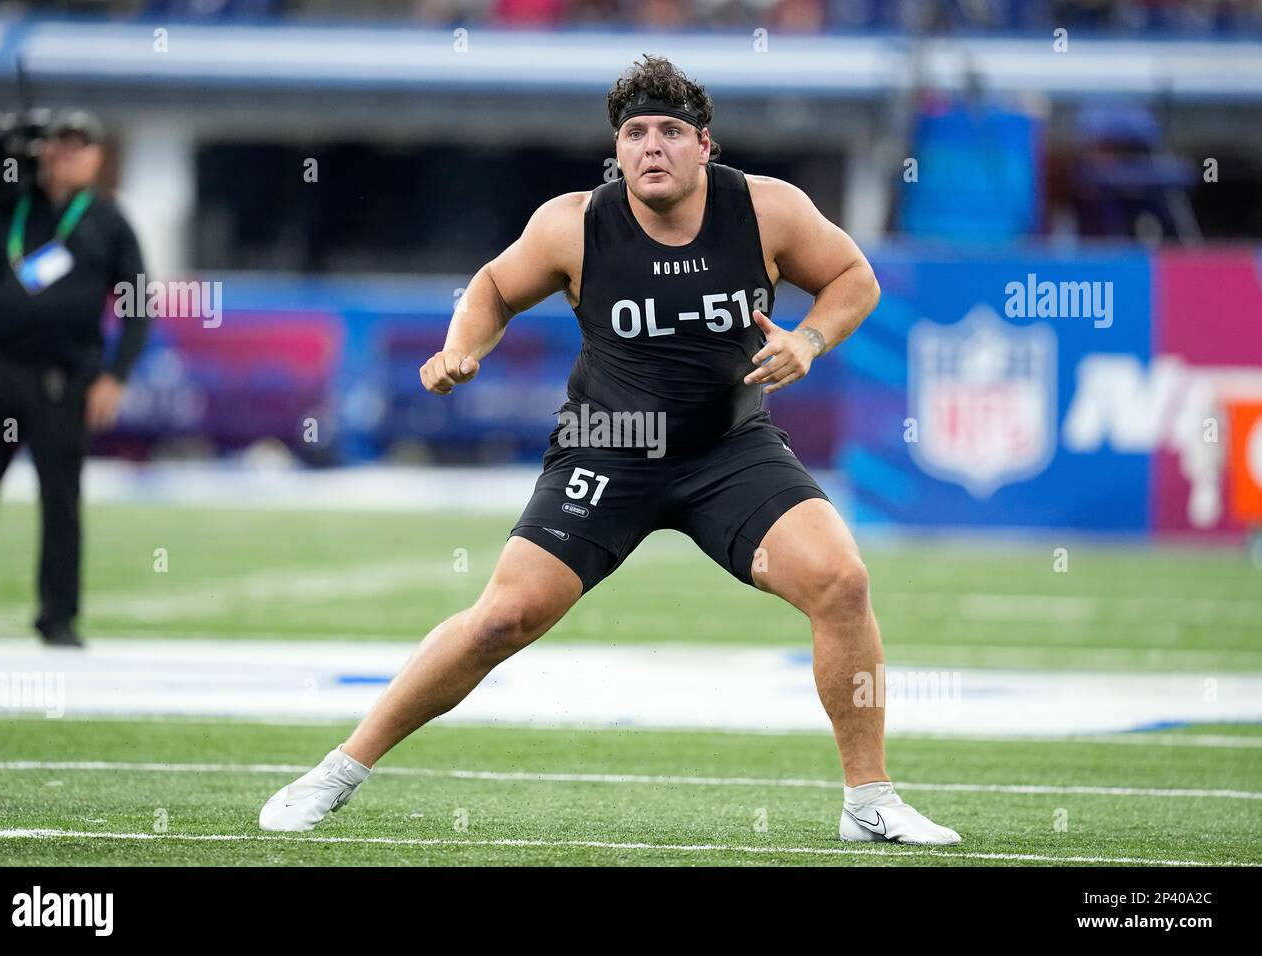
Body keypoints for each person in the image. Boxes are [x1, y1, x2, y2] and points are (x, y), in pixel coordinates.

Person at [260, 55, 961, 846]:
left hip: (729, 448)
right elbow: (492, 287)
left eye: (669, 131)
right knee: (504, 618)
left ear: (705, 146)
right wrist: (465, 348)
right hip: (610, 448)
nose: (650, 147)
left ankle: (868, 801)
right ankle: (339, 770)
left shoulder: (769, 211)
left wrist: (810, 339)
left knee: (841, 581)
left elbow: (853, 278)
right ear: (617, 151)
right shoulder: (574, 223)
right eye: (634, 134)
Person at [0, 109, 150, 648]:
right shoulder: (9, 204)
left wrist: (115, 375)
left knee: (60, 498)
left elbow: (139, 302)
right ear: (44, 153)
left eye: (81, 146)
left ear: (96, 156)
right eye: (60, 145)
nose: (69, 156)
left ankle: (58, 616)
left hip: (62, 377)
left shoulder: (107, 219)